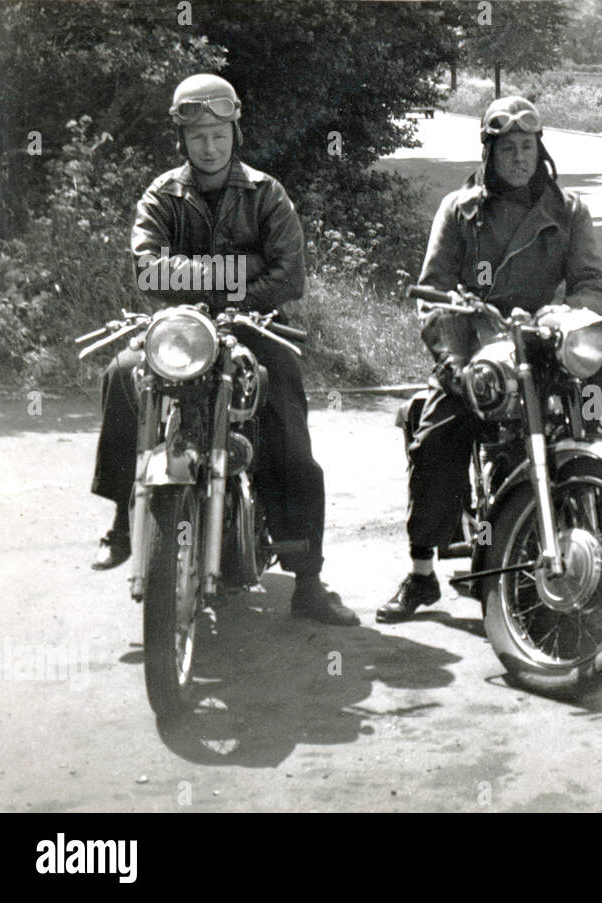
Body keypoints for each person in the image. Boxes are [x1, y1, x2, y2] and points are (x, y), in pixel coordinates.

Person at [89, 73, 358, 626]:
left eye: (218, 134)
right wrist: (237, 271)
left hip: (257, 325)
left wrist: (227, 291)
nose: (208, 146)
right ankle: (122, 518)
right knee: (122, 373)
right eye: (197, 137)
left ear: (235, 132)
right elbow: (146, 269)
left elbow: (290, 277)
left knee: (282, 409)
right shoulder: (162, 194)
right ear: (182, 141)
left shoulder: (266, 193)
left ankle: (307, 578)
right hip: (179, 329)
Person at [377, 96, 602, 623]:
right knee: (437, 433)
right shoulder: (459, 210)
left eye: (527, 146)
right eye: (508, 147)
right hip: (479, 343)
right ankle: (421, 574)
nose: (519, 157)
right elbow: (433, 292)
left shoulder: (568, 209)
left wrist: (567, 313)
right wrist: (454, 364)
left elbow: (593, 283)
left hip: (546, 342)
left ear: (540, 149)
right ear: (489, 152)